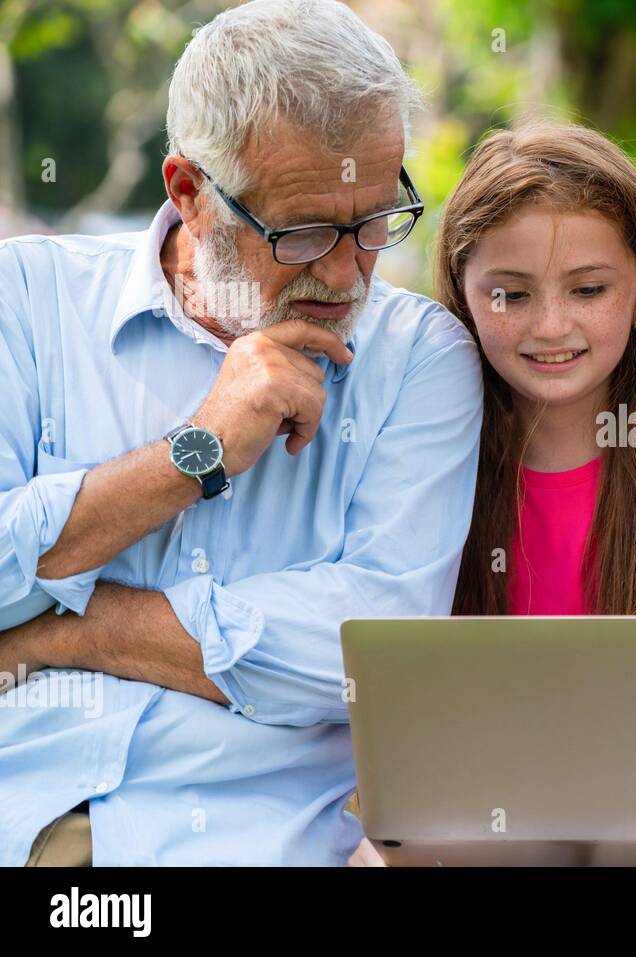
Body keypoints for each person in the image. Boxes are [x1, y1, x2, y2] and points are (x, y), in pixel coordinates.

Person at [0, 0, 482, 865]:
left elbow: (379, 650)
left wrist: (61, 630)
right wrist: (195, 455)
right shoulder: (25, 302)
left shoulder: (417, 359)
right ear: (189, 193)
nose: (347, 271)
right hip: (23, 816)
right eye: (303, 234)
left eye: (375, 221)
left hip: (263, 842)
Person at [348, 123, 636, 867]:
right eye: (510, 294)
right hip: (490, 811)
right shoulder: (430, 458)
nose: (550, 325)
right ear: (462, 289)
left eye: (588, 289)